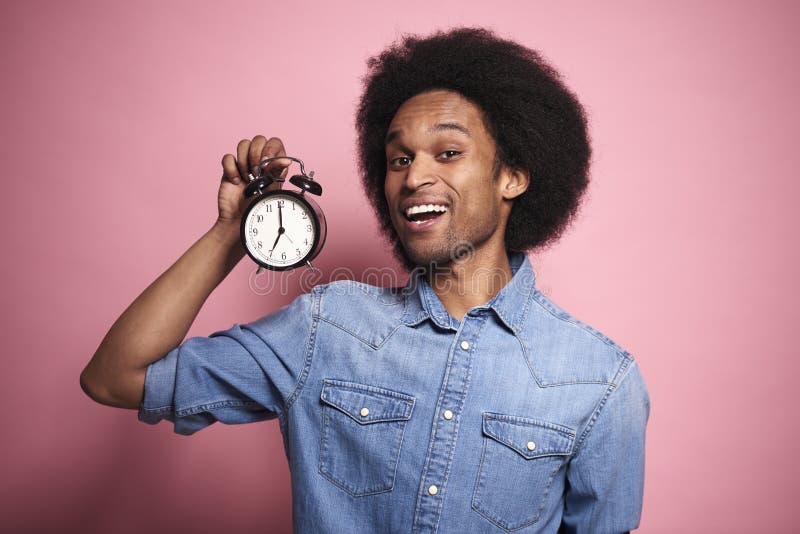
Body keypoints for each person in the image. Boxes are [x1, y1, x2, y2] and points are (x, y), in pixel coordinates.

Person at [81, 27, 649, 534]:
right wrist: (232, 232)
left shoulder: (601, 383)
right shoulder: (326, 328)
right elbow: (115, 379)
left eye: (448, 152)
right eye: (398, 160)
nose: (414, 177)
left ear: (514, 176)